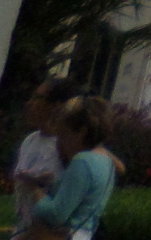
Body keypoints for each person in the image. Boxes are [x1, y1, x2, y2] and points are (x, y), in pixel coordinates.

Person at [28, 97, 117, 240]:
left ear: (81, 131)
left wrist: (36, 189)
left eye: (64, 134)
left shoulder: (82, 161)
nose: (60, 141)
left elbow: (56, 214)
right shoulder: (106, 161)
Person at [10, 78, 76, 239]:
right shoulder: (30, 140)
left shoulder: (67, 148)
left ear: (56, 105)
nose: (29, 104)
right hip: (24, 230)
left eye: (37, 98)